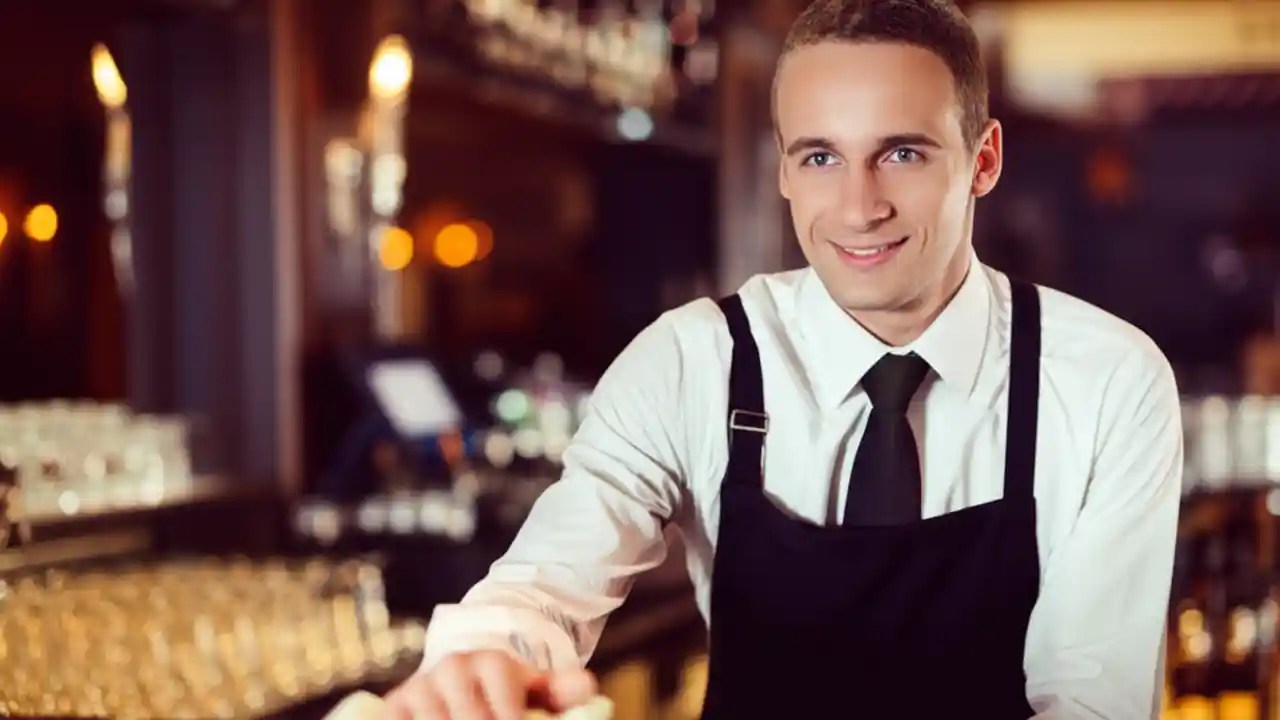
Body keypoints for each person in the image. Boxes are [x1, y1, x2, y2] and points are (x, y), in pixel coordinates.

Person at [384, 0, 1183, 716]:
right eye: (820, 157)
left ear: (983, 159)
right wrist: (481, 665)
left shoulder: (1106, 380)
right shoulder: (692, 361)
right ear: (783, 170)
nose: (860, 207)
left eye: (902, 154)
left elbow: (1092, 700)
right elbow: (544, 585)